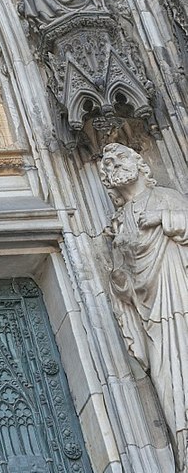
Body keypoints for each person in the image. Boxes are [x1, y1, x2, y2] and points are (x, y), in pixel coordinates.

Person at [101, 144, 188, 469]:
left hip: (179, 294)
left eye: (120, 158)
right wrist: (120, 263)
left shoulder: (168, 197)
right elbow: (123, 285)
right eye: (107, 163)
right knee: (167, 377)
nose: (113, 165)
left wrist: (161, 218)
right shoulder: (120, 219)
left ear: (140, 163)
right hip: (151, 313)